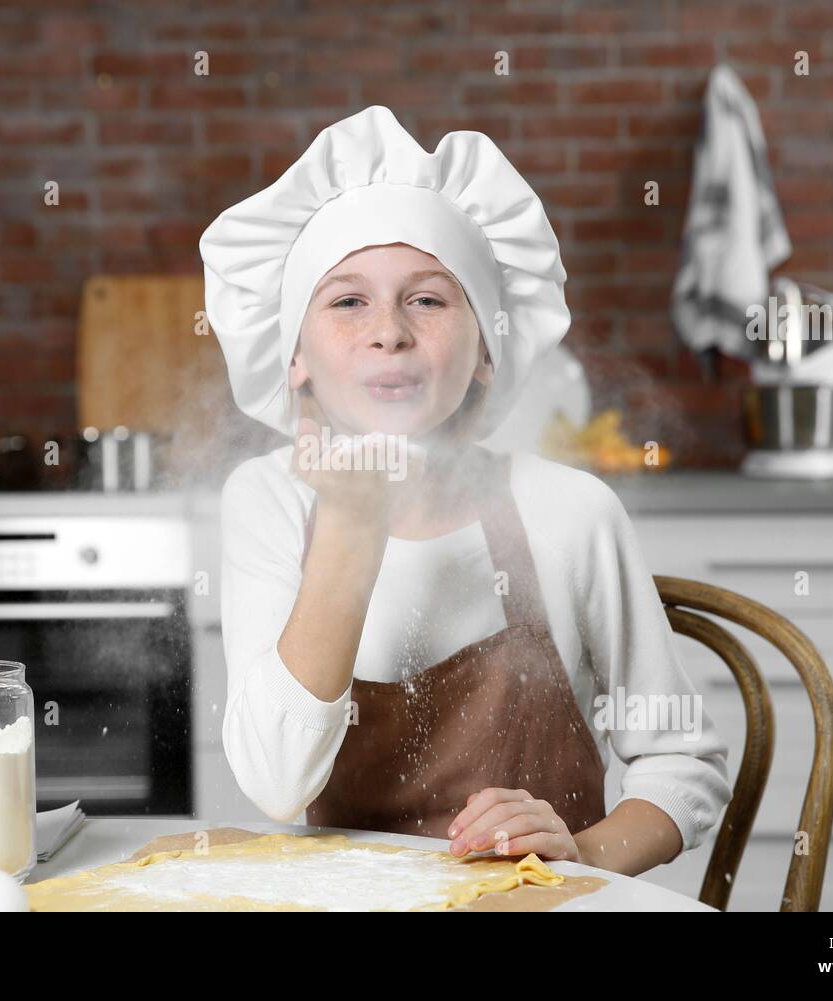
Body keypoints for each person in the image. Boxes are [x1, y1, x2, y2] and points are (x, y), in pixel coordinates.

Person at [200, 106, 732, 875]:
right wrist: (352, 518)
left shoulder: (571, 511)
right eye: (348, 301)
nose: (389, 331)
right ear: (295, 358)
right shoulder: (269, 501)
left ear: (487, 350)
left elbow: (685, 766)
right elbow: (278, 783)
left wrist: (579, 852)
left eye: (427, 299)